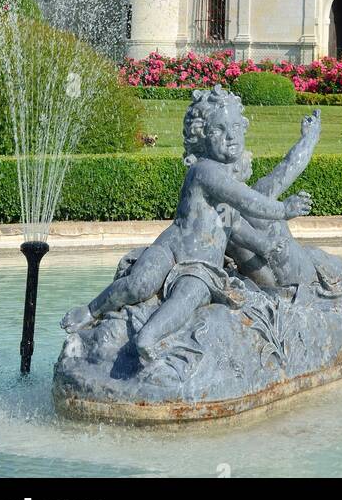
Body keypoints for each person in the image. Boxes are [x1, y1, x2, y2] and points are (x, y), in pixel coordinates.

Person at [60, 85, 313, 360]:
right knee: (139, 284)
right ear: (202, 136)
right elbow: (251, 200)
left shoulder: (227, 189)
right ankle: (91, 310)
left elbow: (239, 226)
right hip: (171, 247)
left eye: (235, 127)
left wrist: (308, 141)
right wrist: (283, 209)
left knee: (187, 298)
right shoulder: (205, 171)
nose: (230, 136)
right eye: (218, 129)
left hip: (203, 267)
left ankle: (148, 339)